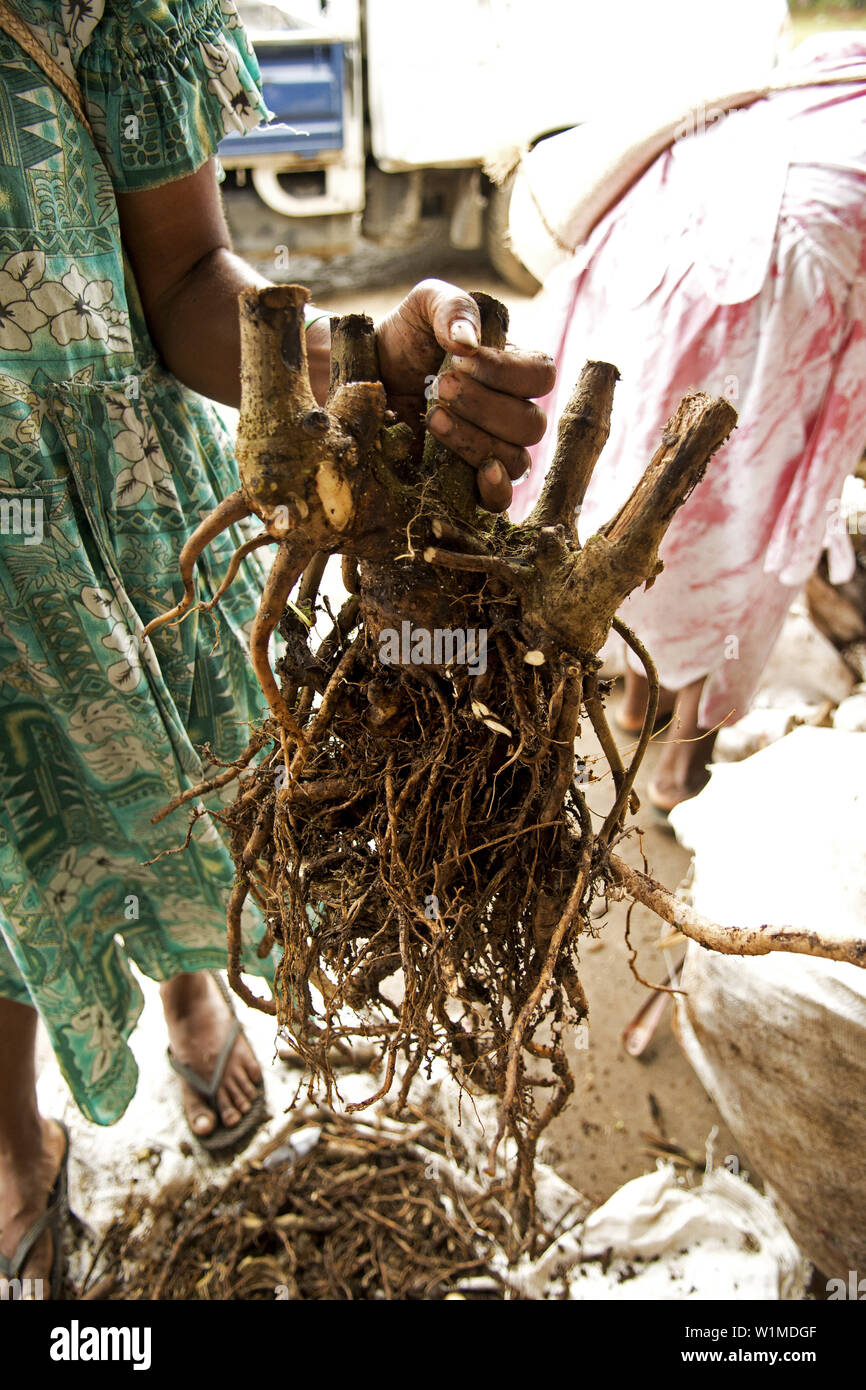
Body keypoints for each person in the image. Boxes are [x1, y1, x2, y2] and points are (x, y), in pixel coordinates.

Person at [0, 0, 554, 1292]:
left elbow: (187, 278)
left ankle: (195, 993)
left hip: (117, 517)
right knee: (11, 870)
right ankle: (18, 1148)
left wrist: (348, 369)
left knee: (186, 775)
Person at [512, 33, 866, 813]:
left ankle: (640, 704)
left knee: (652, 474)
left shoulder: (817, 80)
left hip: (664, 245)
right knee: (733, 516)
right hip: (772, 282)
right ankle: (682, 773)